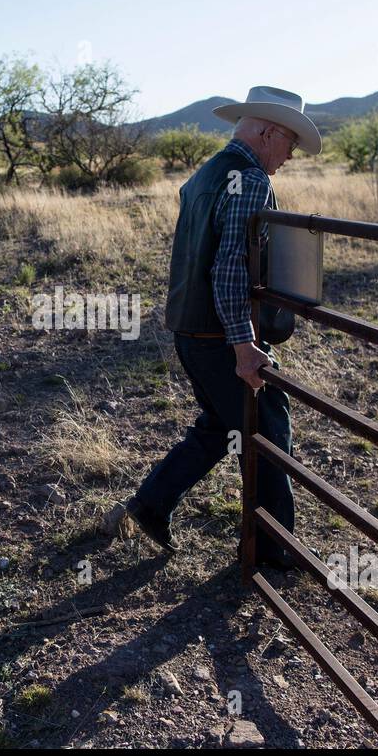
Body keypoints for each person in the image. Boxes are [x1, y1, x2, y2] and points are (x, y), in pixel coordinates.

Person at [107, 86, 322, 569]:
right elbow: (229, 269)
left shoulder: (206, 173)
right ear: (268, 132)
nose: (289, 157)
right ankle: (272, 548)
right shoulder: (249, 179)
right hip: (219, 335)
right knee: (266, 428)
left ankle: (151, 503)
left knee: (222, 424)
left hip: (190, 328)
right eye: (289, 144)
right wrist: (245, 345)